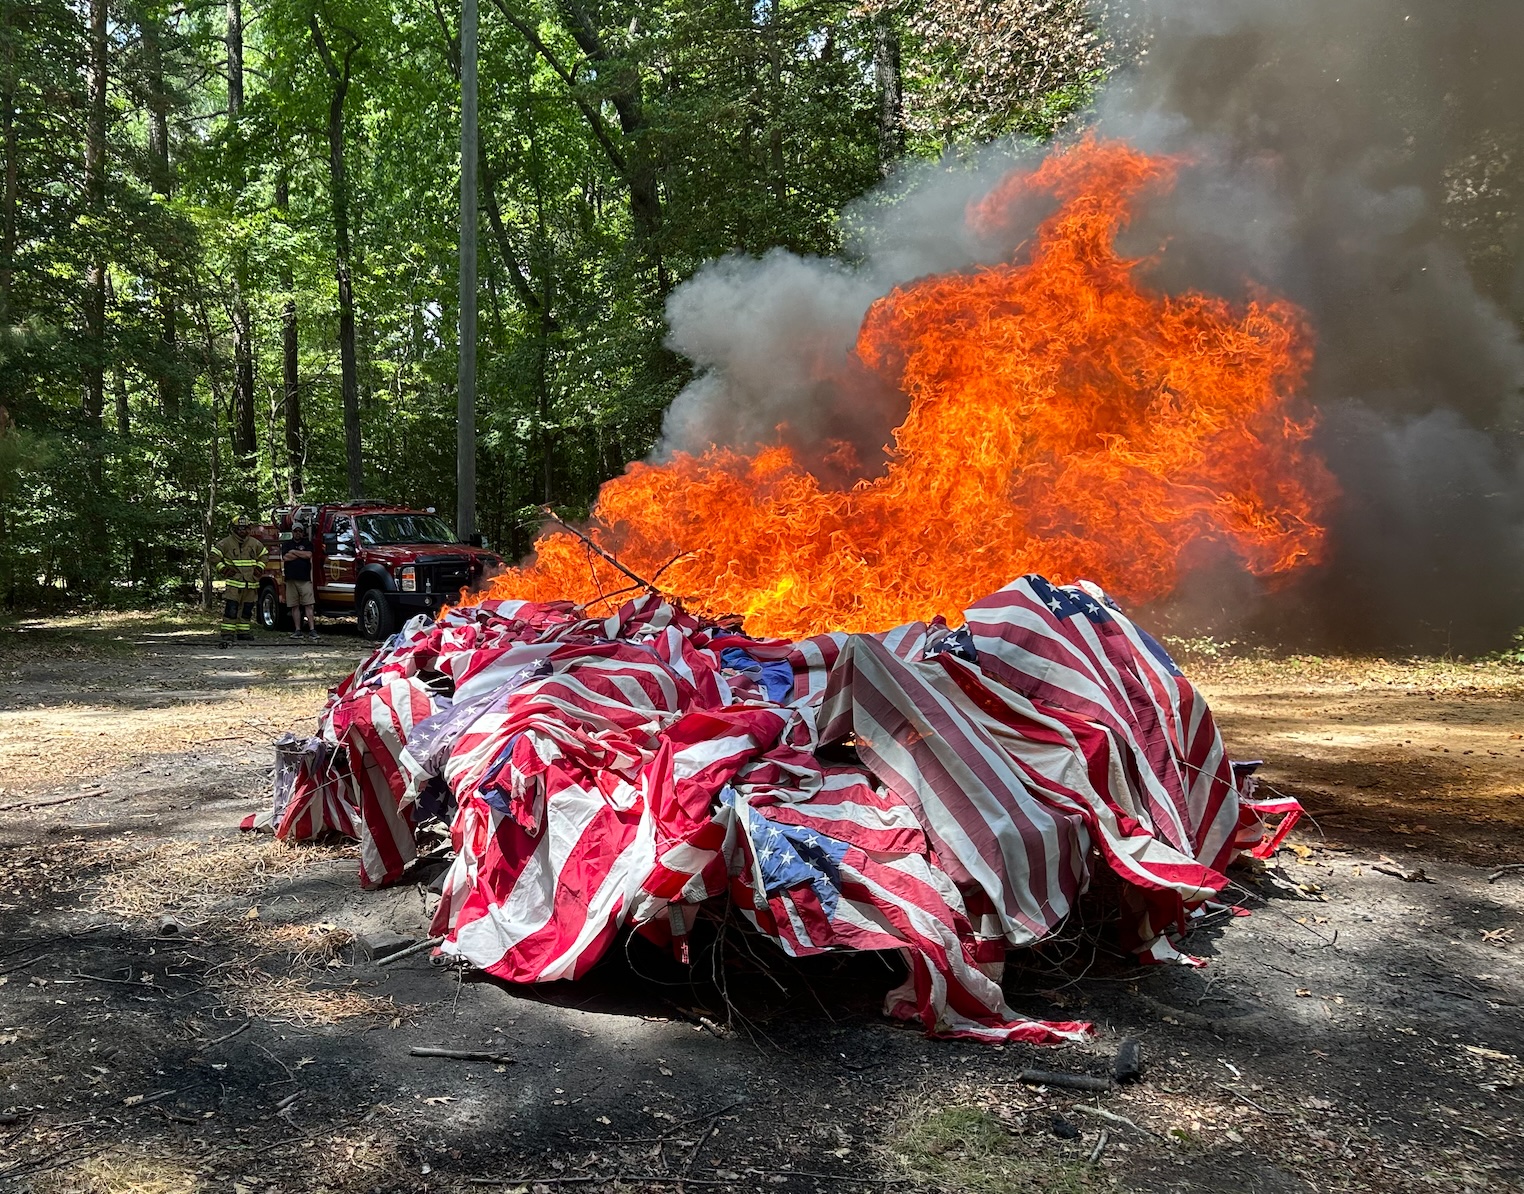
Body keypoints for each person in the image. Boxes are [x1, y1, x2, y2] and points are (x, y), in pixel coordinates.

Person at [210, 514, 268, 647]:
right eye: (239, 528)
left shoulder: (254, 543)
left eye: (245, 528)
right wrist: (223, 569)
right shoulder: (226, 543)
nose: (242, 530)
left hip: (250, 583)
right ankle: (227, 633)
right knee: (231, 608)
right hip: (234, 583)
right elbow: (213, 556)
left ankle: (243, 632)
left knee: (247, 609)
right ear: (234, 529)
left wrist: (259, 567)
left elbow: (264, 555)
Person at [283, 521, 318, 641]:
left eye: (300, 531)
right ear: (292, 532)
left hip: (305, 579)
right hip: (290, 580)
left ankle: (312, 630)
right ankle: (297, 630)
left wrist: (293, 552)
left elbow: (308, 555)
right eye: (295, 531)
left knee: (308, 604)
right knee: (294, 606)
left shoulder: (307, 543)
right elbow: (286, 557)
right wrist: (300, 554)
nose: (297, 533)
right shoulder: (287, 544)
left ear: (303, 532)